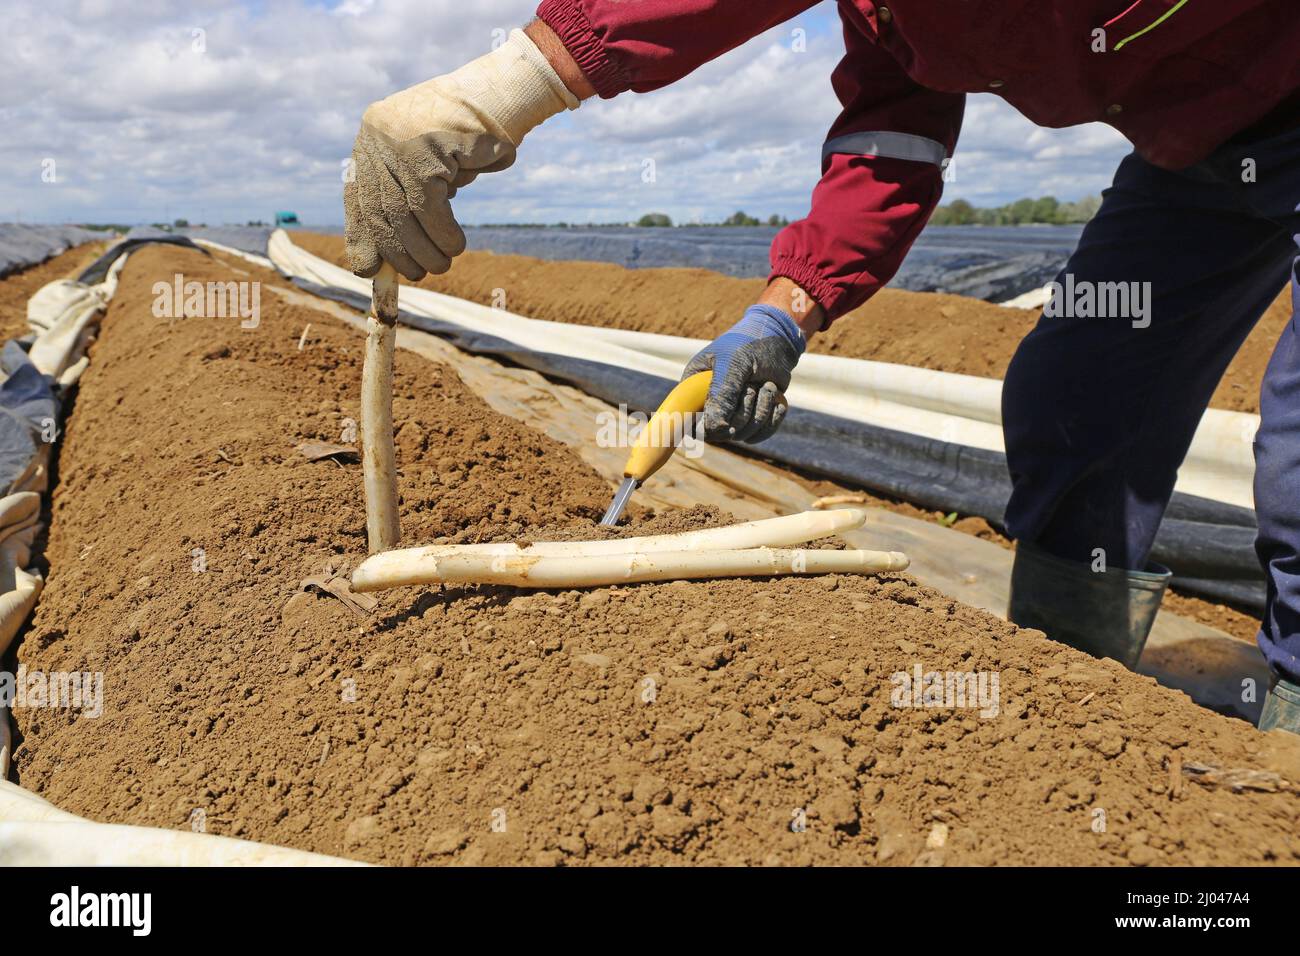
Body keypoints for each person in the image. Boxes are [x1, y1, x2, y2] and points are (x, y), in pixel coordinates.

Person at [343, 1, 1300, 733]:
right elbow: (893, 144)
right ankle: (1075, 693)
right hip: (1203, 153)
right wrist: (783, 311)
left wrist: (518, 79)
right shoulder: (889, 16)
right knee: (1073, 396)